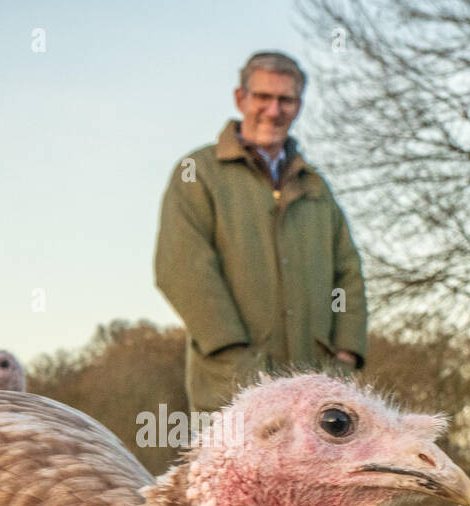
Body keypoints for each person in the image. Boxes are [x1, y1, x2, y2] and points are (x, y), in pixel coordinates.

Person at [155, 50, 369, 414]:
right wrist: (235, 359)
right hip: (230, 390)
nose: (273, 110)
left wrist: (346, 354)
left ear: (298, 106)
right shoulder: (197, 172)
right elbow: (183, 270)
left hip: (317, 392)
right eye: (263, 97)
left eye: (285, 99)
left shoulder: (316, 186)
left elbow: (347, 273)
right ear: (240, 98)